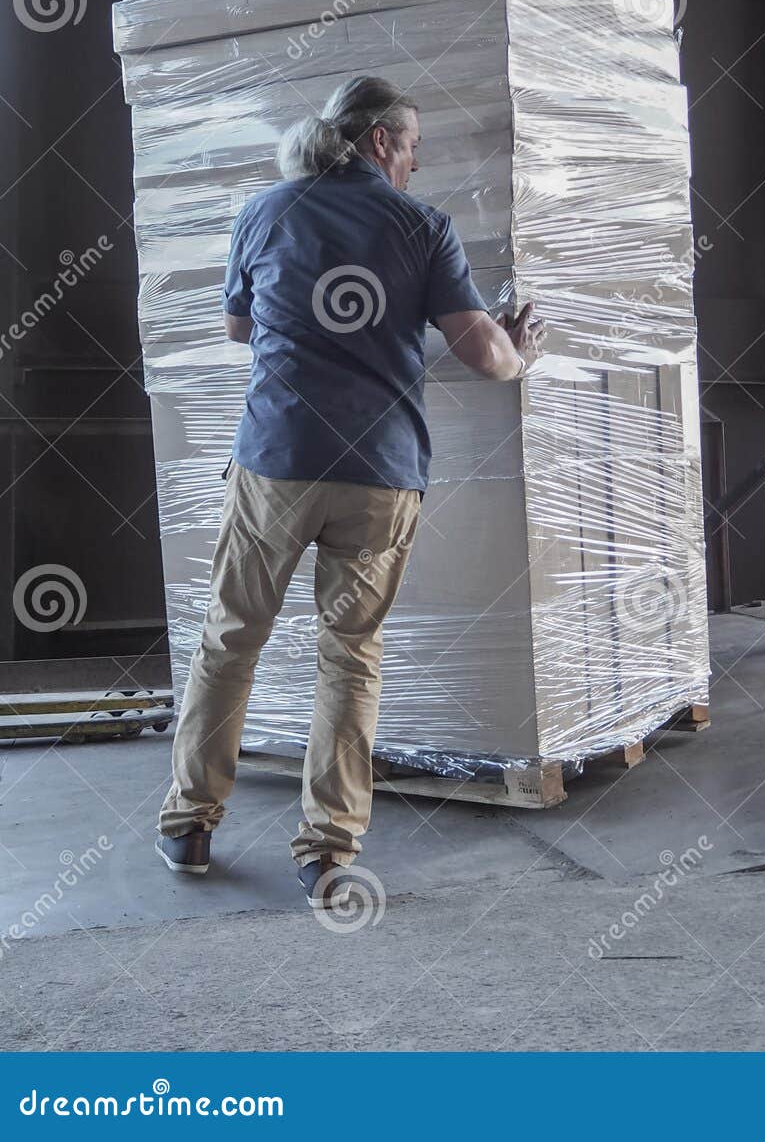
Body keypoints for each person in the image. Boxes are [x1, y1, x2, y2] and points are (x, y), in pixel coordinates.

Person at [154, 75, 545, 910]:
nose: (415, 160)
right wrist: (523, 350)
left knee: (230, 638)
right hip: (378, 472)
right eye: (410, 145)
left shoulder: (267, 211)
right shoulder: (422, 227)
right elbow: (486, 356)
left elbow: (237, 326)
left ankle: (189, 823)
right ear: (379, 142)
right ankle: (326, 852)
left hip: (277, 460)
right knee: (350, 656)